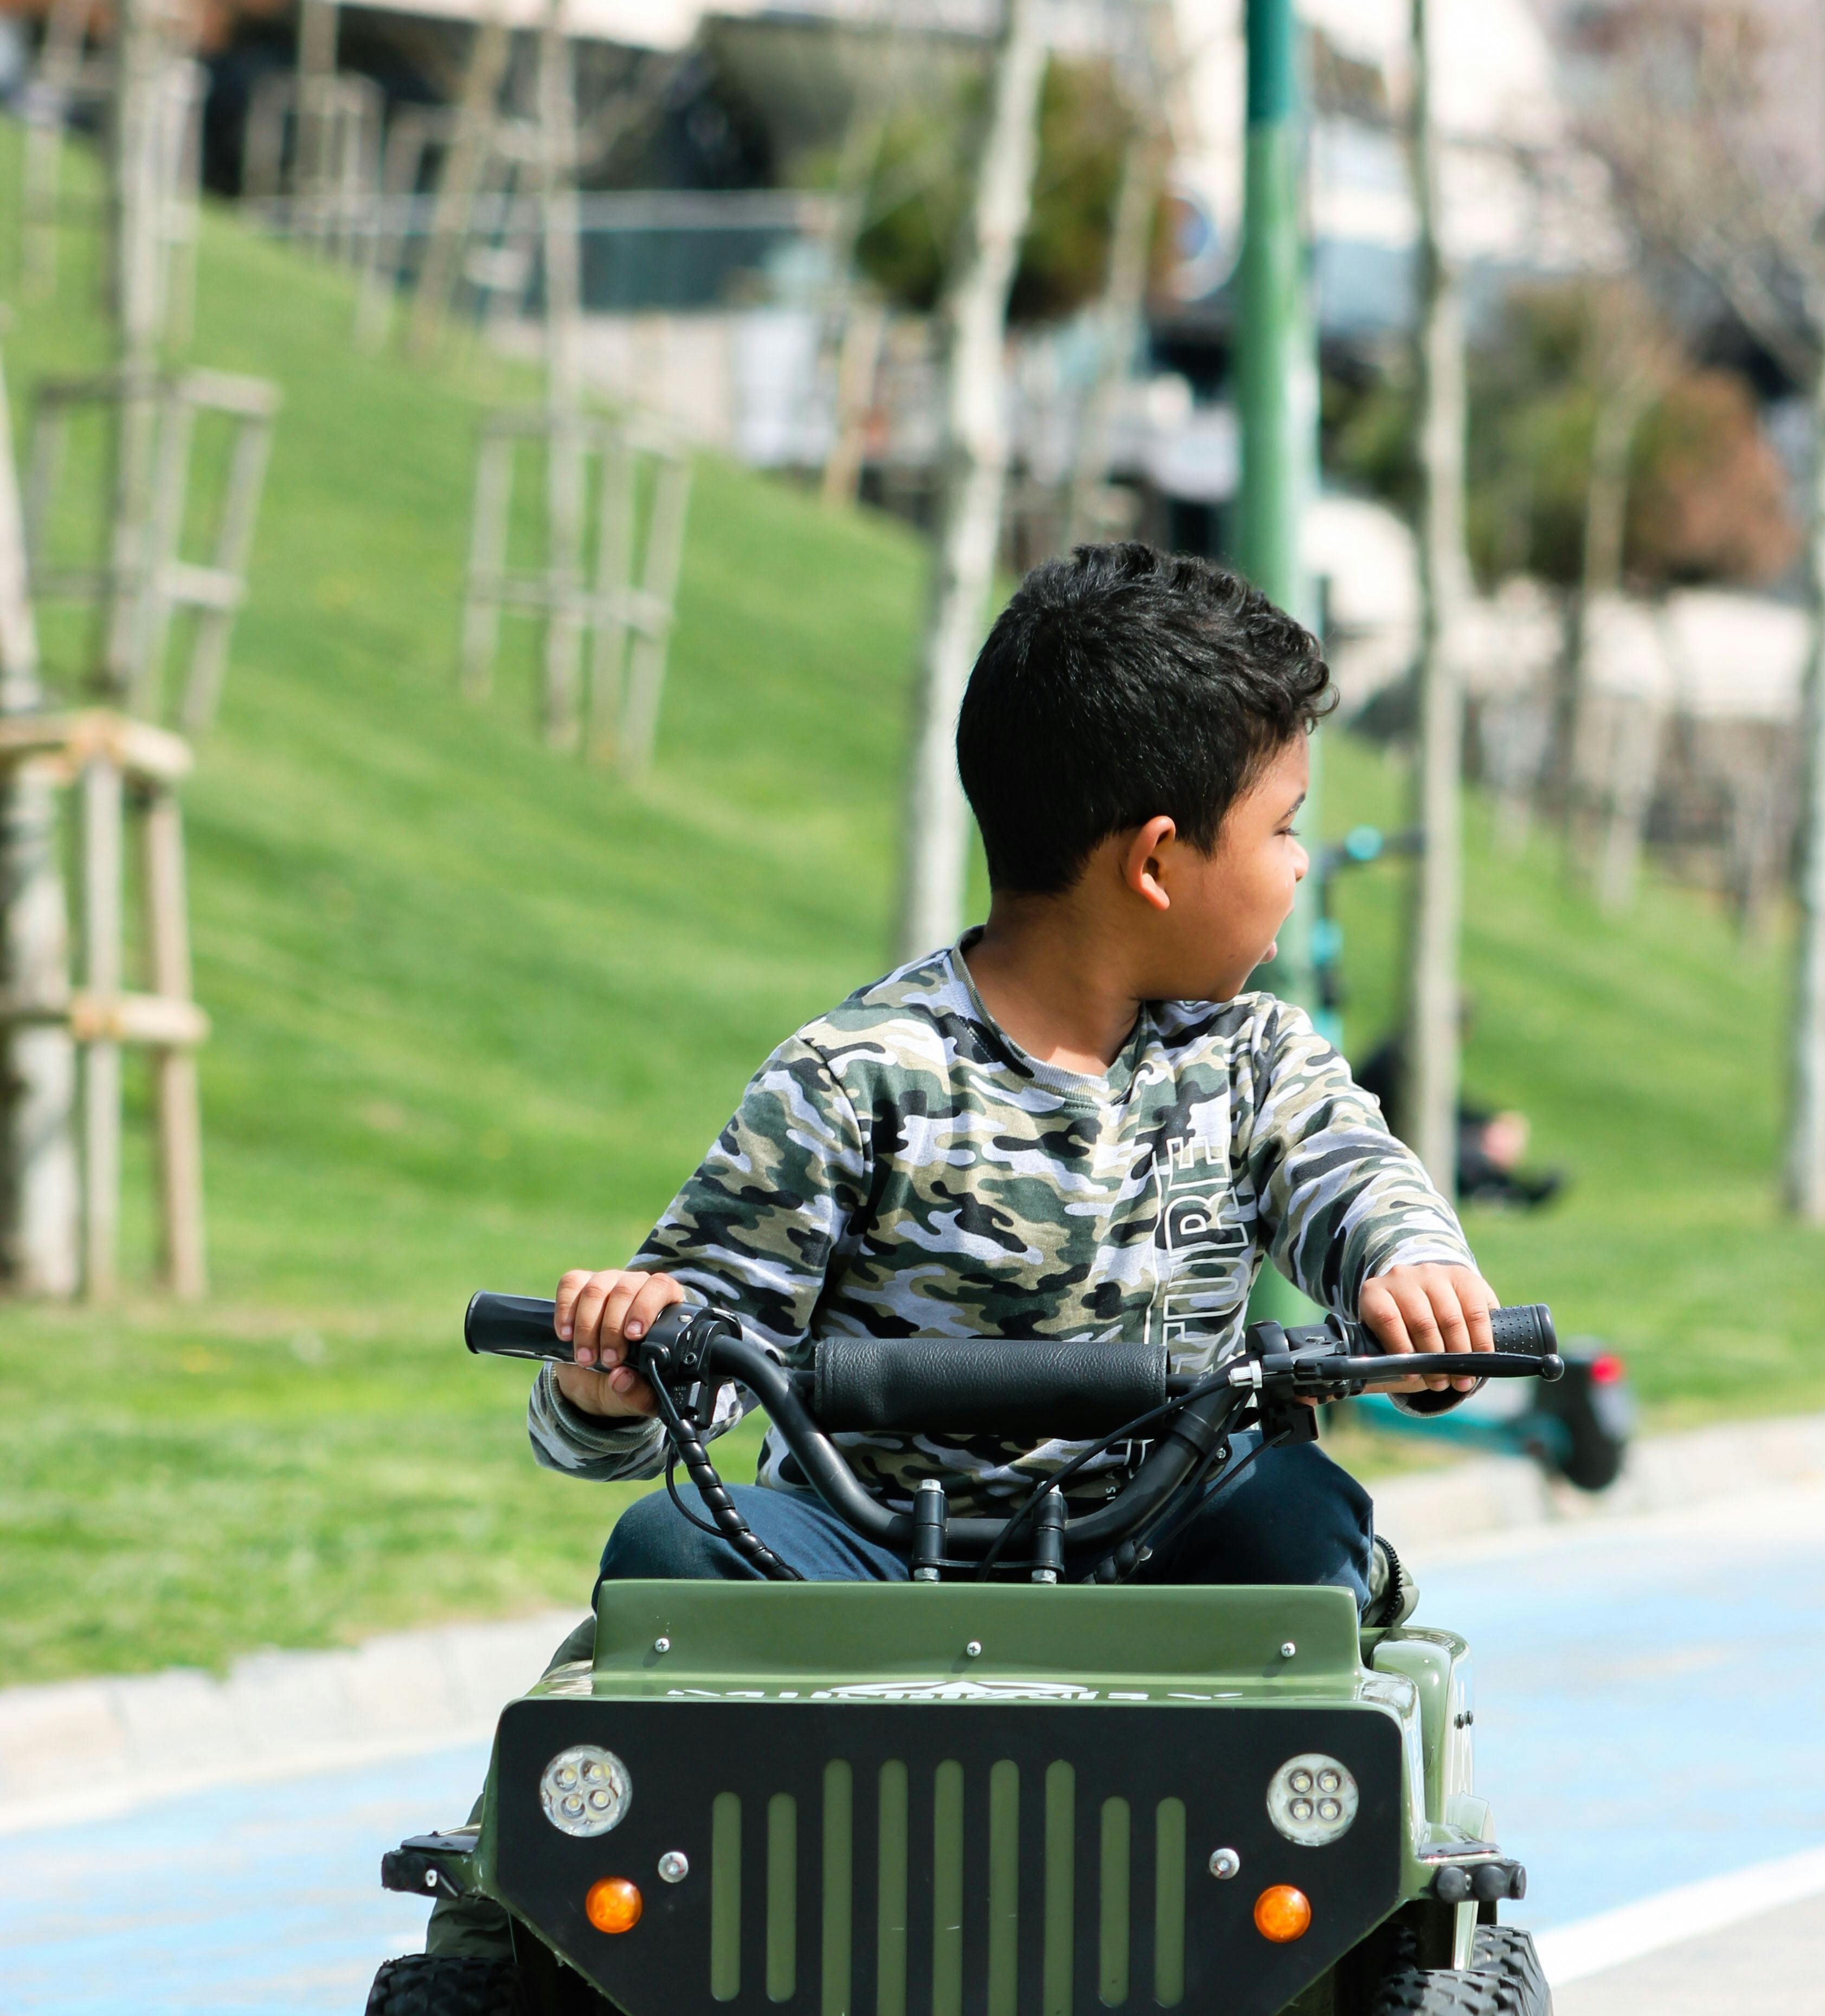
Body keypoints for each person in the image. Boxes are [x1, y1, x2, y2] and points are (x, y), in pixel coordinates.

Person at [531, 542, 1498, 1615]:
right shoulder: (856, 1077)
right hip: (879, 1566)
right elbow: (699, 1343)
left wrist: (1415, 1278)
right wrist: (614, 1378)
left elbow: (1355, 1178)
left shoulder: (1253, 1061)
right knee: (670, 1547)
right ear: (1156, 863)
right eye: (1283, 829)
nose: (1301, 863)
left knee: (1301, 1513)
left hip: (1165, 1561)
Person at [1353, 1032, 1564, 1212]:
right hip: (1386, 1146)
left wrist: (1488, 1123)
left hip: (1398, 1138)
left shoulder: (1405, 1050)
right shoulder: (1403, 1056)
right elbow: (1436, 1108)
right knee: (1464, 1156)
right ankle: (1506, 1191)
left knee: (1468, 1144)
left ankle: (1512, 1187)